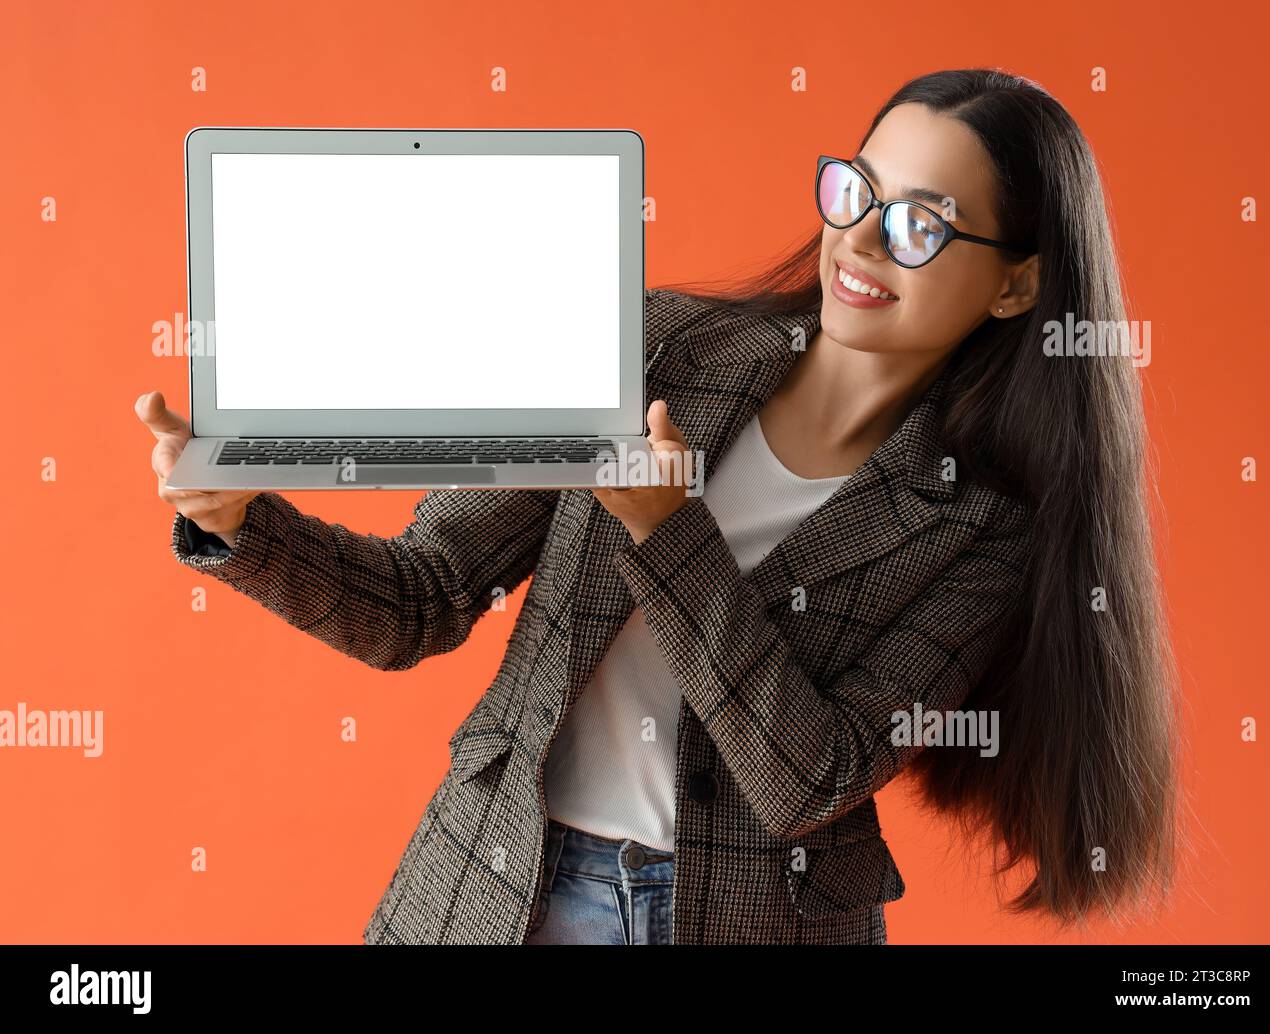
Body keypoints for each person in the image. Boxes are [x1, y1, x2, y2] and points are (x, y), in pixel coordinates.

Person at [138, 68, 1178, 945]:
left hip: (755, 919)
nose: (862, 240)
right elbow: (419, 598)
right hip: (499, 885)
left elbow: (810, 776)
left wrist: (665, 528)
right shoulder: (647, 348)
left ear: (1013, 287)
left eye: (920, 225)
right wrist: (242, 524)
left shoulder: (980, 526)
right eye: (854, 191)